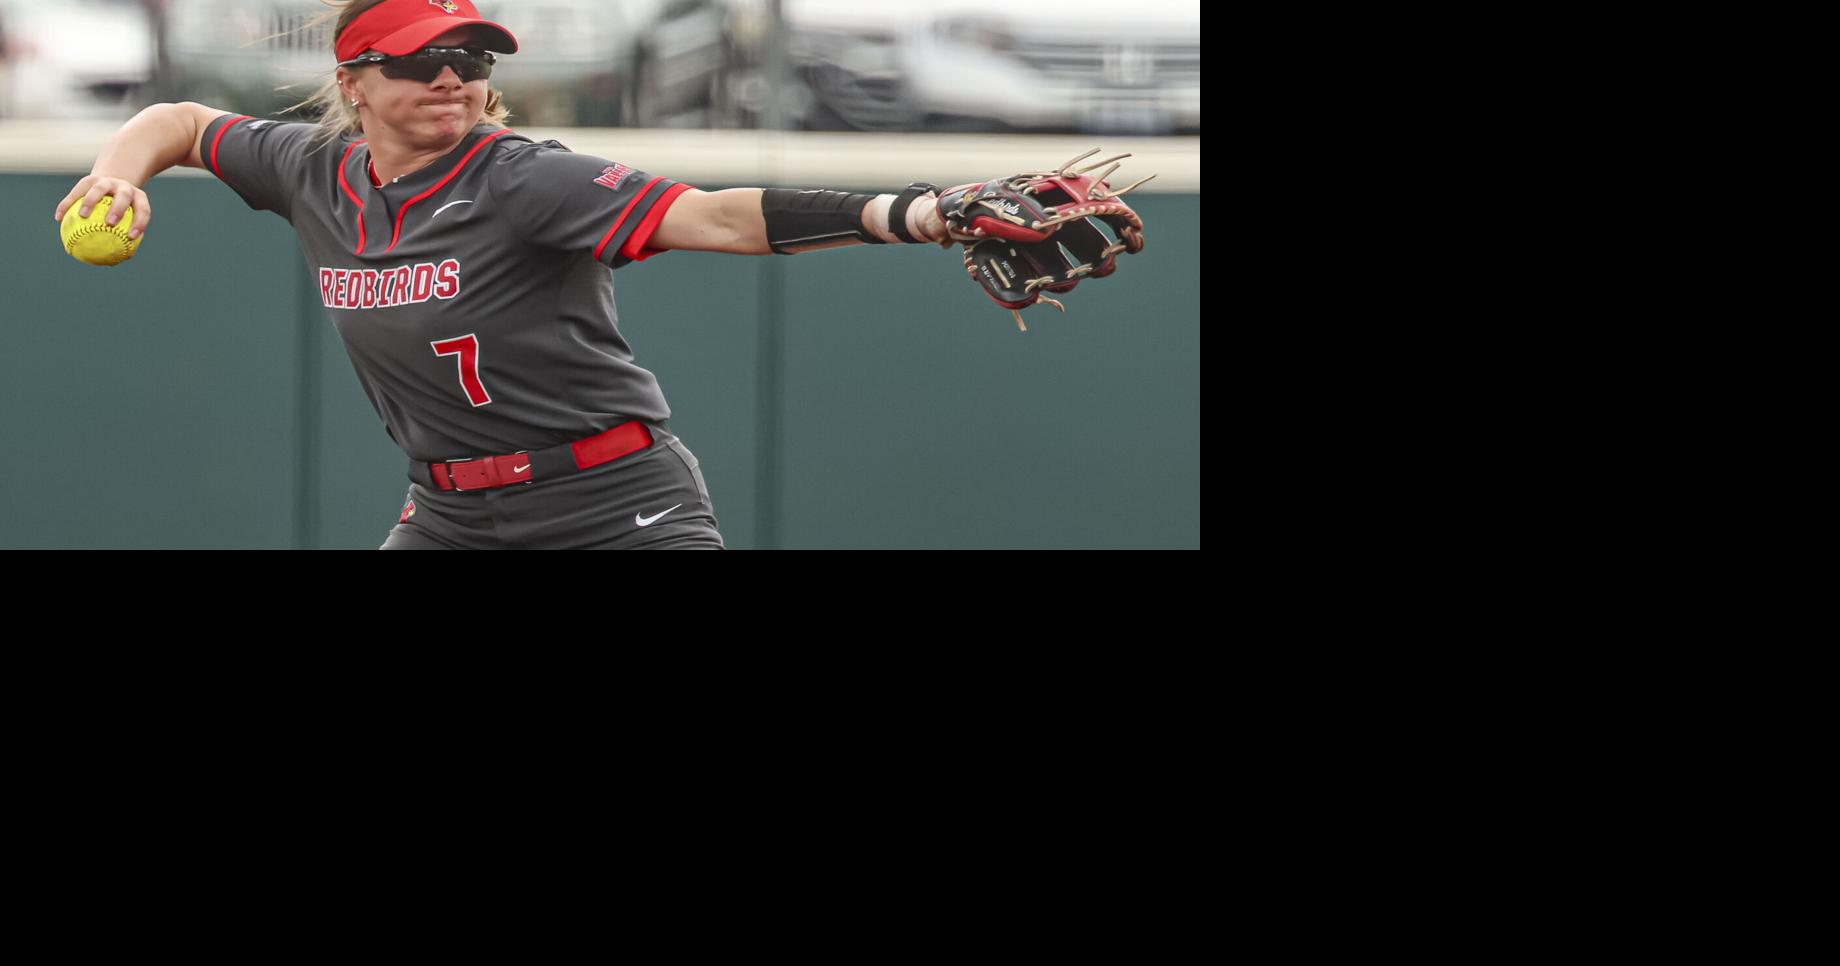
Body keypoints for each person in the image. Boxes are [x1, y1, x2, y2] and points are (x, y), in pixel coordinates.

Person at [52, 0, 949, 550]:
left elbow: (714, 214)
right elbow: (176, 118)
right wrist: (115, 174)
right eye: (419, 60)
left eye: (470, 61)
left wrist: (905, 214)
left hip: (612, 507)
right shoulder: (309, 167)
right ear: (355, 84)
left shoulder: (523, 176)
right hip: (450, 517)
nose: (451, 78)